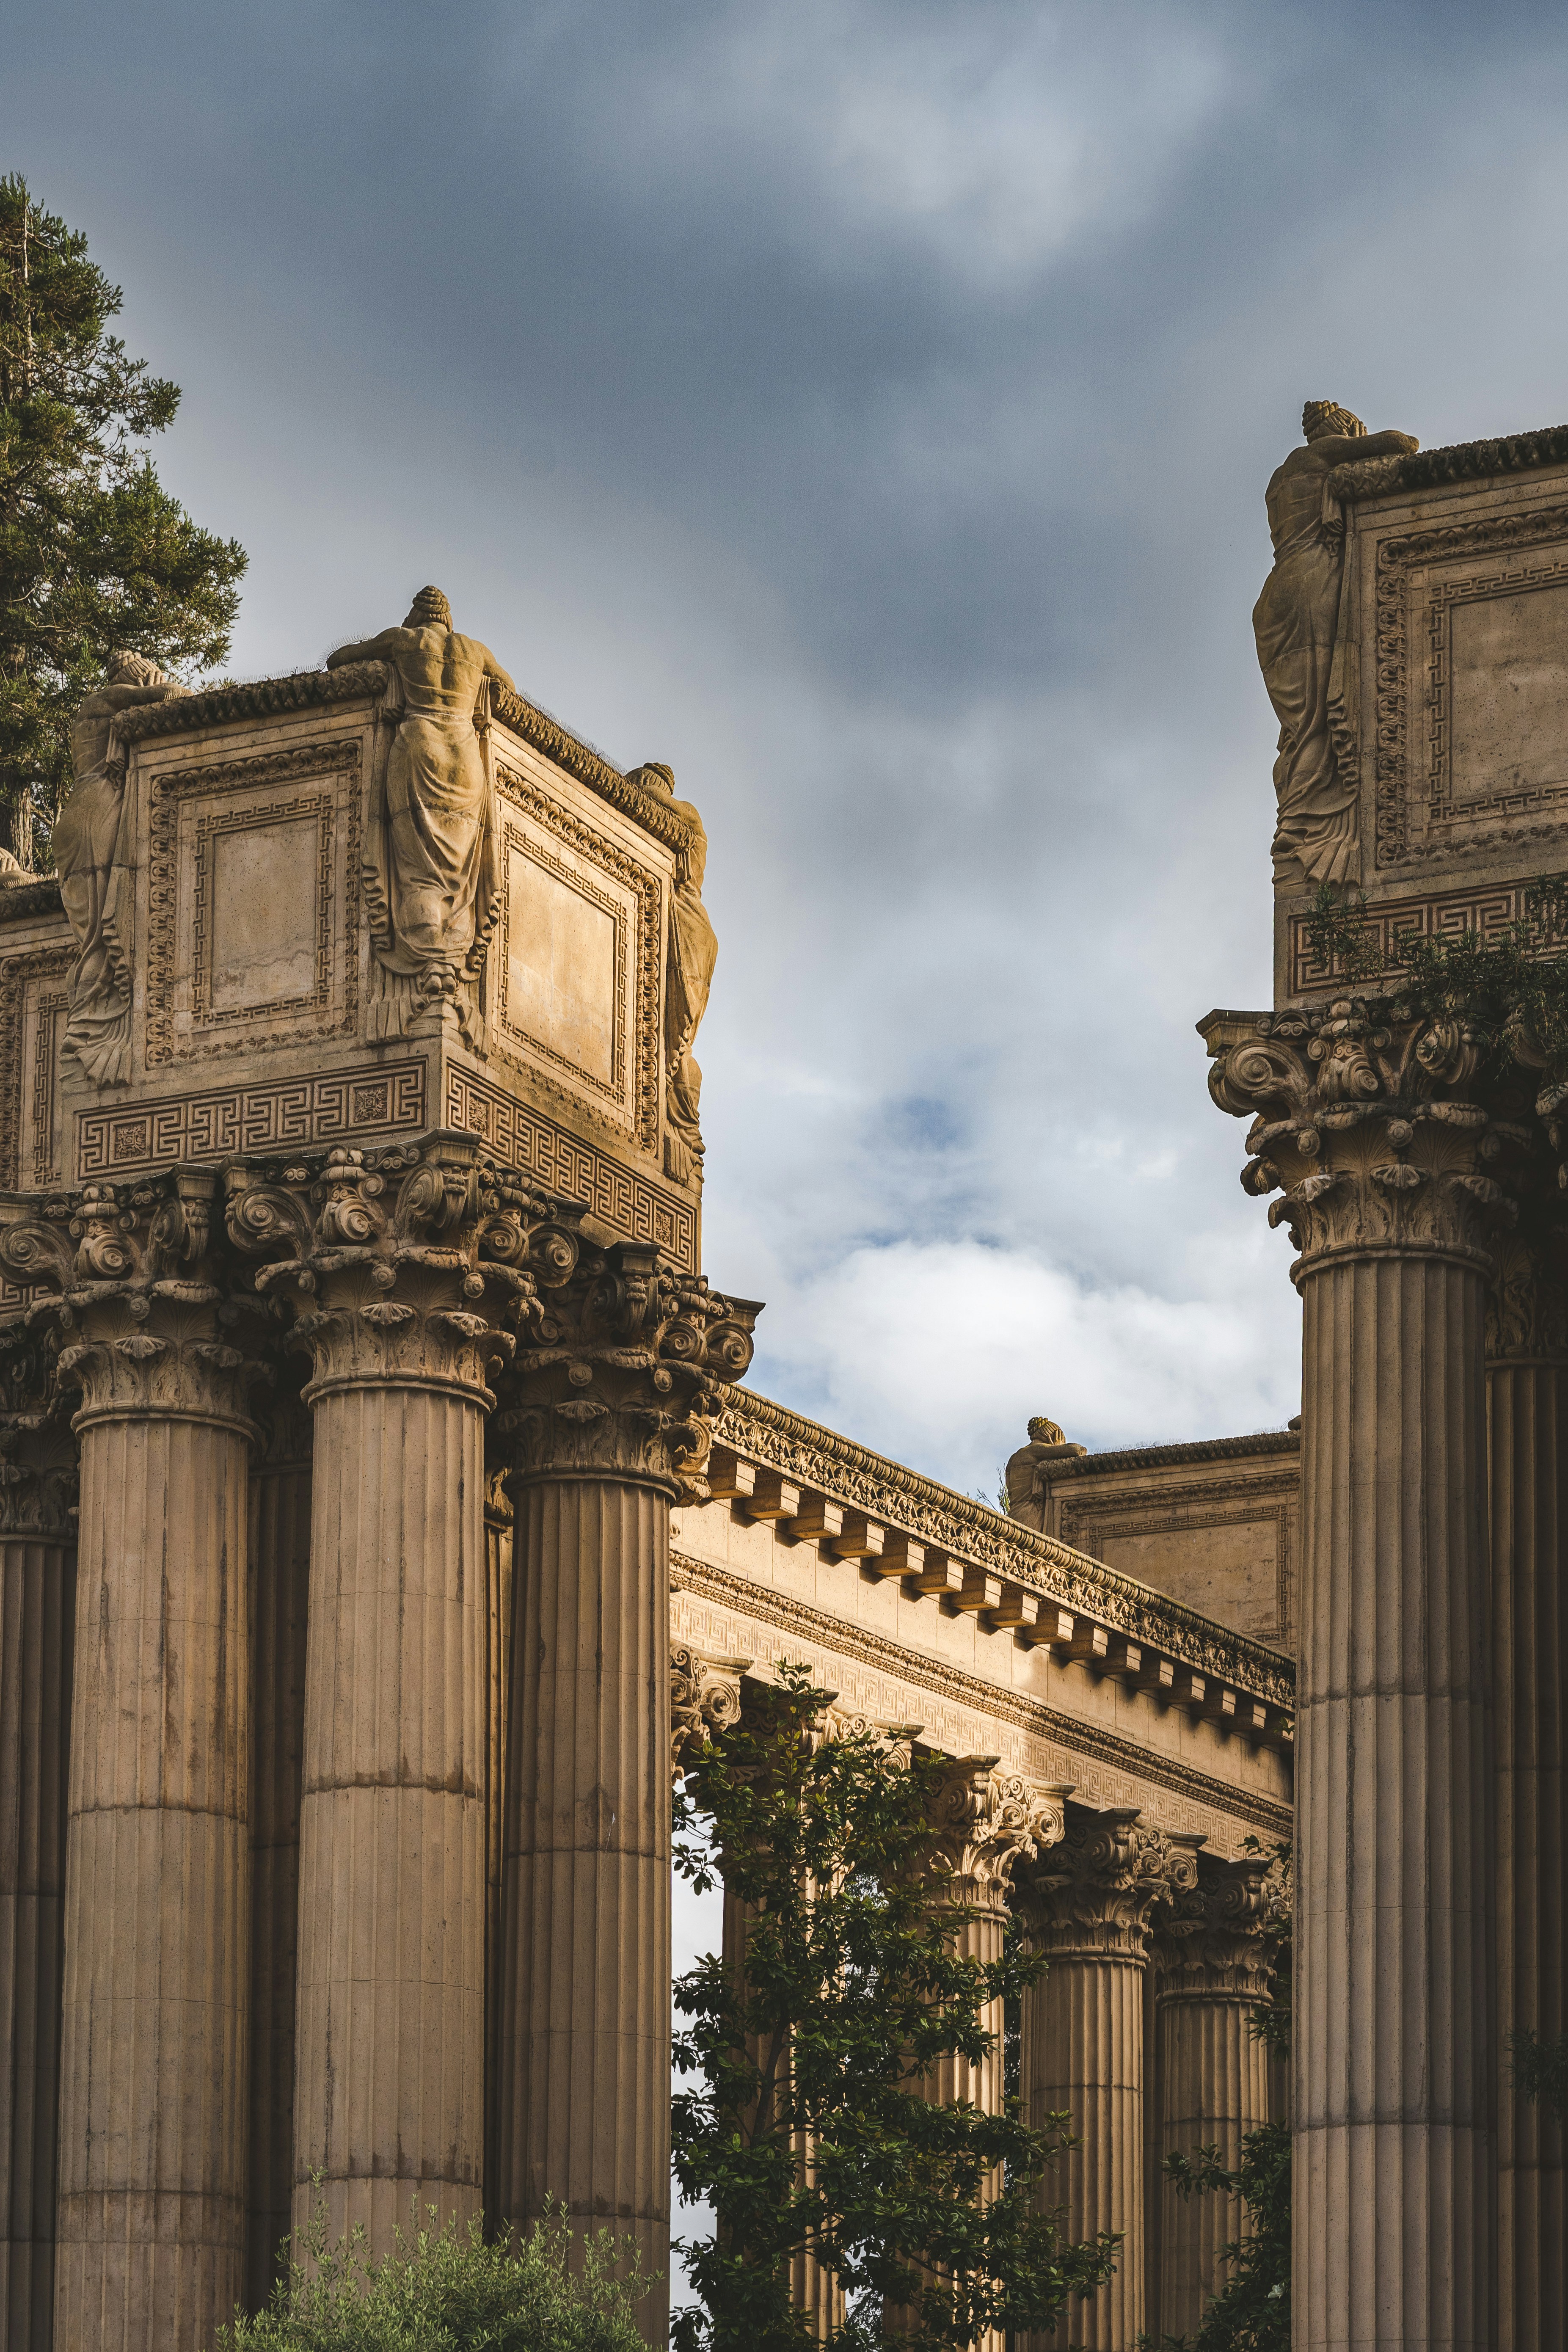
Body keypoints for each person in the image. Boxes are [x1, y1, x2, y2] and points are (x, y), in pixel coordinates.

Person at [1253, 401, 1418, 886]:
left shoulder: (1278, 483)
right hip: (1312, 585)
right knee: (1318, 723)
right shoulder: (1315, 457)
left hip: (1279, 594)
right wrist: (1355, 443)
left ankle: (1299, 821)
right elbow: (1401, 444)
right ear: (1341, 428)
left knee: (1301, 726)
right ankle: (1302, 829)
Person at [328, 587, 515, 998]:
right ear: (449, 621)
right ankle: (450, 955)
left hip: (420, 745)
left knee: (419, 870)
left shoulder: (405, 640)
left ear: (416, 617)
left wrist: (391, 668)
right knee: (458, 876)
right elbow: (508, 688)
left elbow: (339, 660)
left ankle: (427, 952)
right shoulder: (475, 650)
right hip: (466, 756)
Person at [55, 650, 188, 1082]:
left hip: (85, 812)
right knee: (95, 938)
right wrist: (160, 684)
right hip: (96, 811)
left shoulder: (105, 707)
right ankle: (86, 1031)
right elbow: (171, 696)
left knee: (93, 935)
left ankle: (88, 1024)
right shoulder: (101, 702)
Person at [630, 763, 717, 1187]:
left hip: (684, 924)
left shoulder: (685, 814)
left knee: (671, 1034)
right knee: (675, 1040)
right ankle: (671, 1111)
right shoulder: (690, 823)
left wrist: (636, 789)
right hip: (696, 928)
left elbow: (655, 803)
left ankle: (665, 1105)